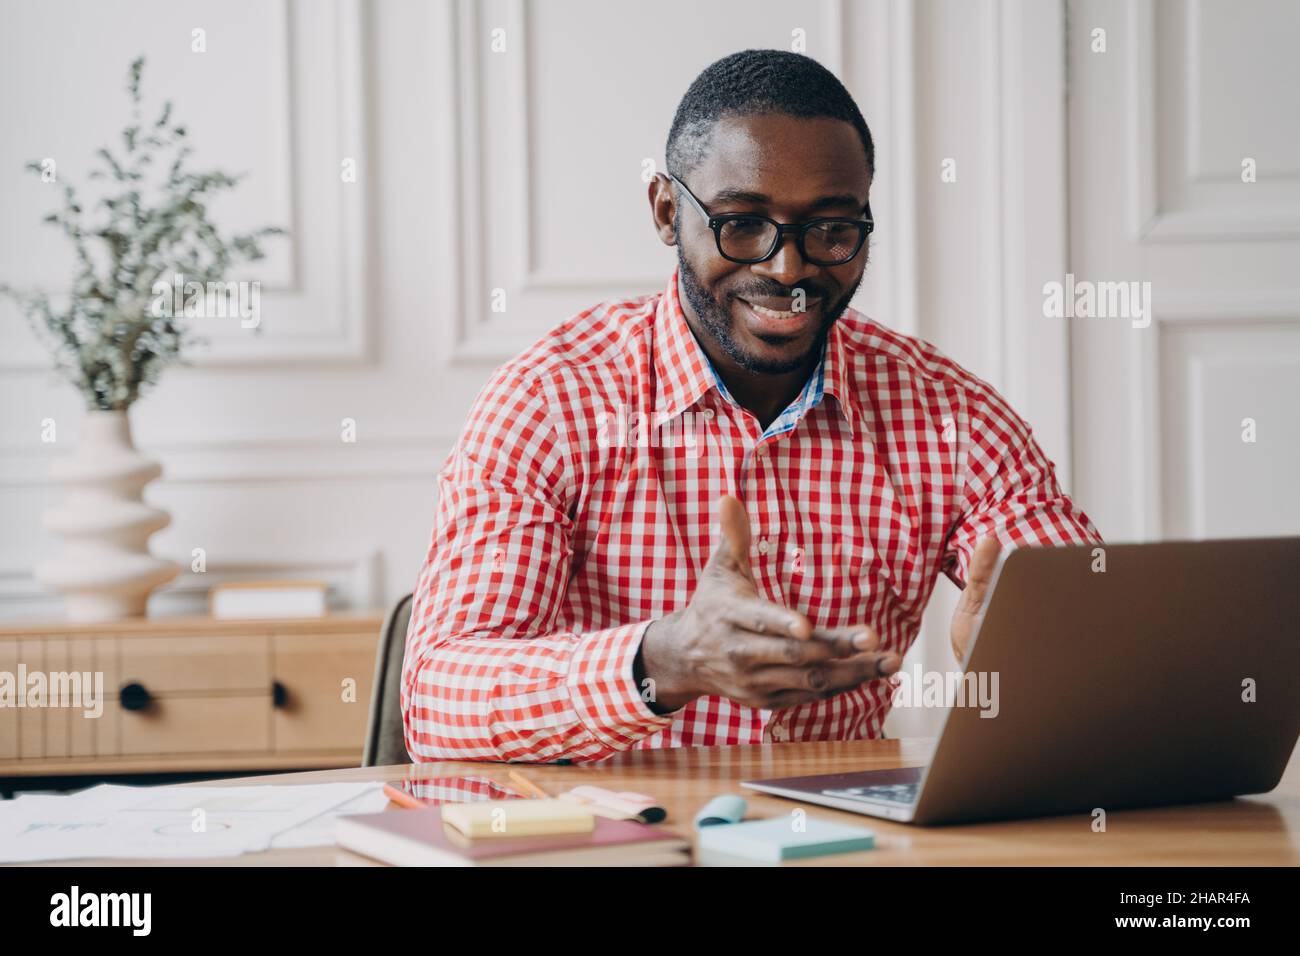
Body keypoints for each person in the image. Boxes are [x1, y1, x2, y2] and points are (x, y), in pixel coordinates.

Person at [401, 49, 1101, 762]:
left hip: (844, 838)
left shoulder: (949, 413)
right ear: (668, 212)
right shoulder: (553, 400)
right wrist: (665, 660)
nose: (787, 269)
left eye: (831, 230)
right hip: (616, 837)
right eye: (743, 224)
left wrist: (1027, 669)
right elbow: (437, 699)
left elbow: (1107, 639)